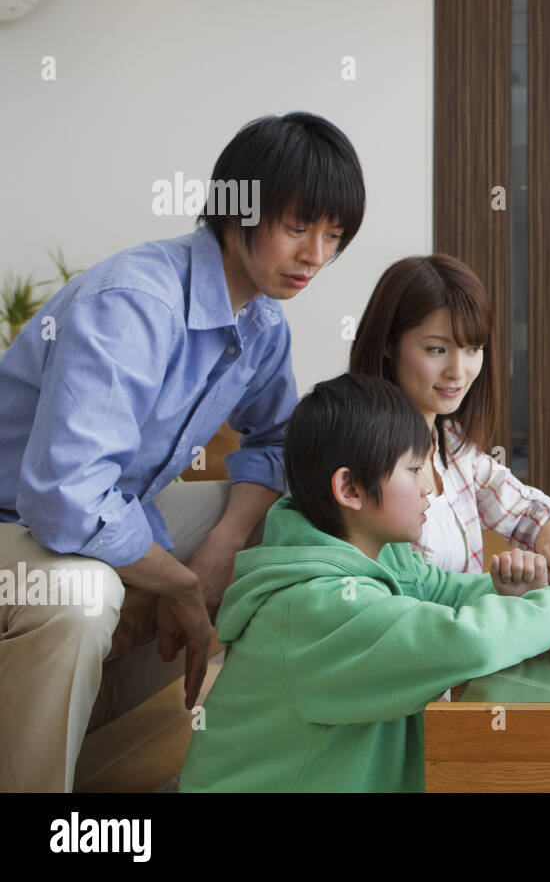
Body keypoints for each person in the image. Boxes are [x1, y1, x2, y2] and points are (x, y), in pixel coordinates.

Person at [0, 111, 365, 791]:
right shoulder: (134, 302)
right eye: (297, 227)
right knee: (79, 595)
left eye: (334, 235)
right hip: (15, 518)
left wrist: (223, 543)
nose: (316, 254)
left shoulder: (260, 323)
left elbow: (279, 438)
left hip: (106, 505)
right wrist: (181, 583)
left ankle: (249, 763)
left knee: (290, 517)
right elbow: (63, 499)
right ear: (236, 211)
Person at [179, 373, 550, 792]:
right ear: (351, 490)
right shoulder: (315, 608)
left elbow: (447, 594)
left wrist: (510, 590)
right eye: (415, 470)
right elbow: (465, 641)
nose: (431, 488)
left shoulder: (384, 555)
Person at [349, 254, 550, 581]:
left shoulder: (451, 445)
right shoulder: (361, 457)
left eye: (473, 349)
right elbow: (408, 600)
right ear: (388, 345)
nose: (458, 372)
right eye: (437, 349)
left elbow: (528, 510)